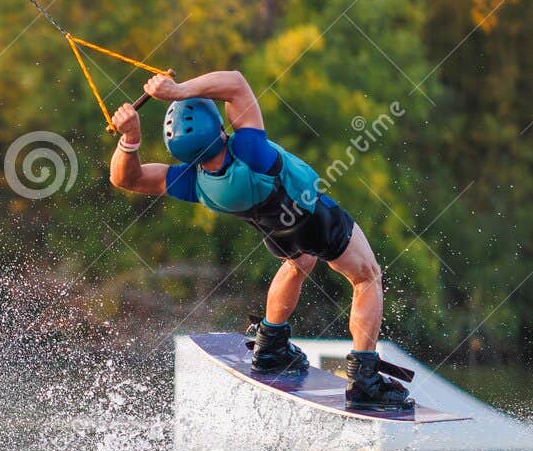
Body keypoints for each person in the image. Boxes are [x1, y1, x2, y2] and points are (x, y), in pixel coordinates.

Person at [108, 69, 412, 412]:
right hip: (315, 219)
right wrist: (178, 91)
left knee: (298, 262)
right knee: (366, 276)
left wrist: (130, 138)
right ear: (220, 130)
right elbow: (235, 83)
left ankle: (270, 346)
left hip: (277, 233)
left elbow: (126, 178)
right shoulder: (249, 151)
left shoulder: (194, 182)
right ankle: (365, 380)